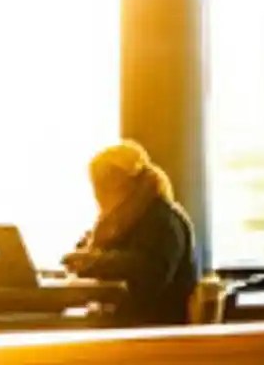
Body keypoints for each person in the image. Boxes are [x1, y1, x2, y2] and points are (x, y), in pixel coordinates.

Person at [63, 140, 199, 326]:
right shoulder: (121, 220)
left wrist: (95, 262)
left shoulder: (163, 220)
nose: (97, 194)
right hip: (125, 322)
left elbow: (149, 273)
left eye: (101, 184)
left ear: (122, 184)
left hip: (153, 328)